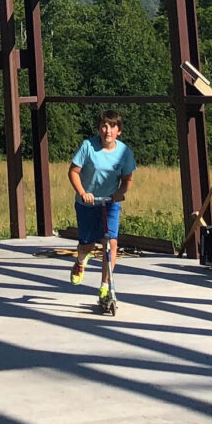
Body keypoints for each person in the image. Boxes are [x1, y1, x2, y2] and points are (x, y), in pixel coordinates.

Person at [68, 111, 136, 305]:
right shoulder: (88, 146)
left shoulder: (124, 152)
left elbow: (127, 179)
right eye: (104, 126)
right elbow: (73, 171)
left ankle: (106, 286)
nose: (108, 131)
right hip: (88, 203)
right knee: (86, 245)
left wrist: (121, 192)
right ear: (99, 129)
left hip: (110, 203)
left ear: (119, 131)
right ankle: (80, 262)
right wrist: (83, 192)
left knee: (111, 243)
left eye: (112, 127)